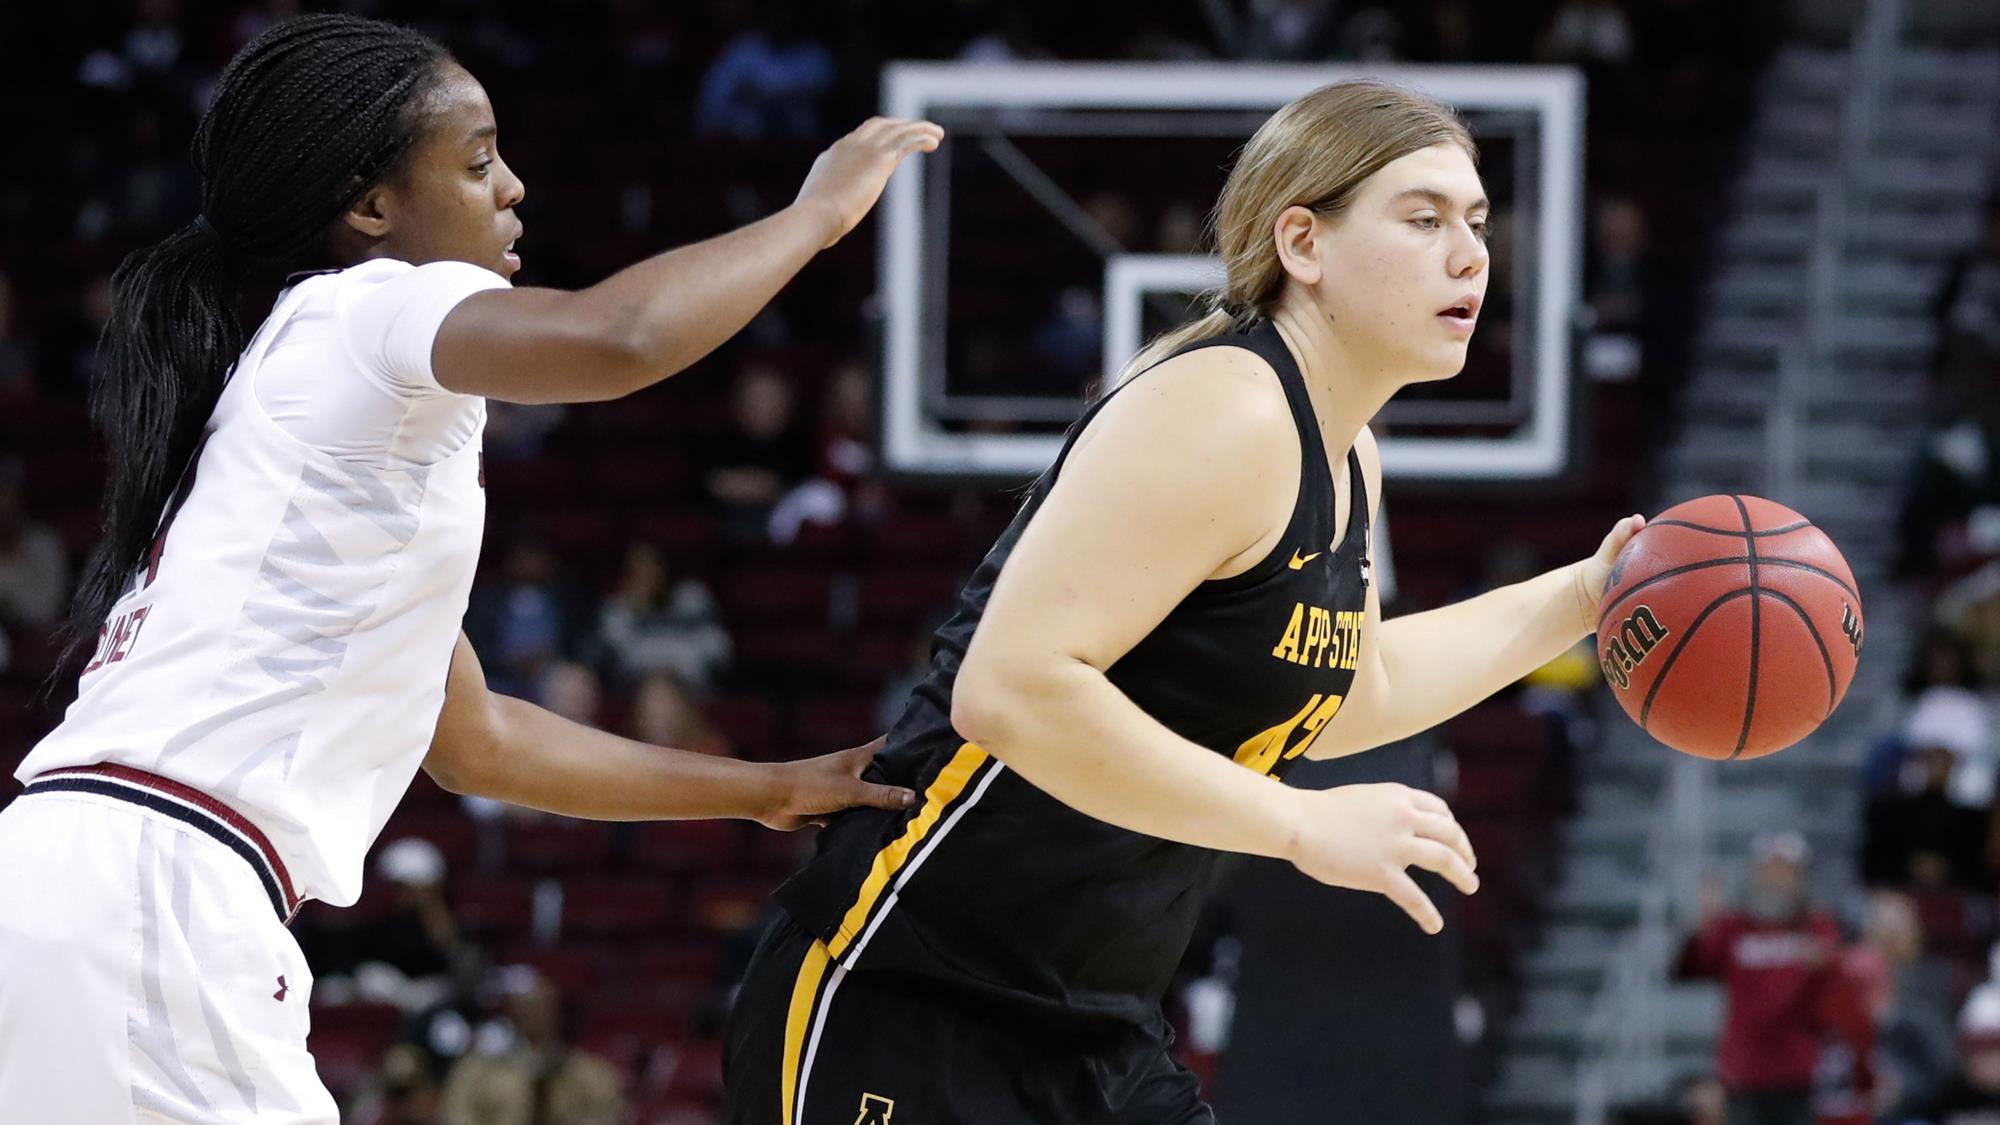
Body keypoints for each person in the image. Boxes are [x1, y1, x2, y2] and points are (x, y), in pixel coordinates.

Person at [0, 14, 937, 1122]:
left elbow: (474, 744)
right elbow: (618, 340)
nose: (515, 187)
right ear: (372, 207)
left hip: (75, 870)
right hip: (162, 885)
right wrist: (817, 215)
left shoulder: (310, 416)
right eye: (479, 157)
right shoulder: (375, 304)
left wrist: (764, 792)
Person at [723, 80, 1642, 1124]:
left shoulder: (1343, 457)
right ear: (1302, 242)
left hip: (1093, 1022)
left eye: (1473, 223)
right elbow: (1010, 693)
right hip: (915, 995)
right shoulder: (1226, 408)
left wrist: (1581, 596)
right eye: (1422, 218)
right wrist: (1294, 827)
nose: (1470, 253)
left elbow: (1348, 689)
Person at [1675, 833, 1870, 1125]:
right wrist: (1700, 928)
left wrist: (1825, 965)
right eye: (1768, 870)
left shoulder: (1817, 926)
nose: (1775, 879)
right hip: (1743, 1074)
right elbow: (1691, 970)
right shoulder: (1733, 927)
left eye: (1785, 871)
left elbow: (1838, 991)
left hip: (1797, 1073)